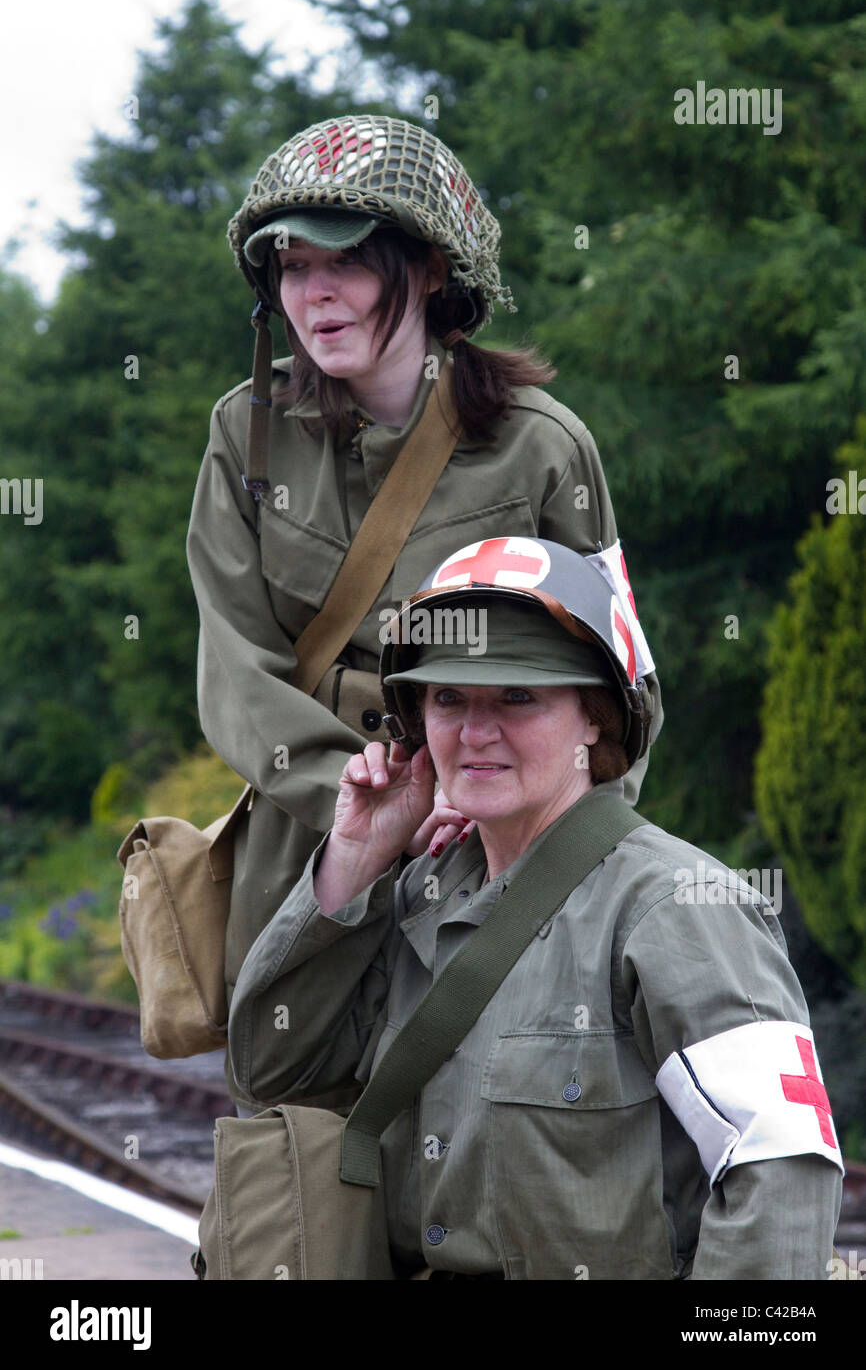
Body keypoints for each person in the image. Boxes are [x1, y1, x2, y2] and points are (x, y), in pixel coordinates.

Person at [186, 113, 662, 1111]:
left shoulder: (541, 445)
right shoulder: (247, 434)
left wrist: (561, 848)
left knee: (502, 1117)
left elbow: (619, 681)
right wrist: (359, 808)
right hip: (320, 836)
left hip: (496, 832)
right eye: (290, 265)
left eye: (347, 263)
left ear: (429, 268)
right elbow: (235, 668)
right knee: (295, 1131)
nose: (312, 293)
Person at [227, 536, 843, 1280]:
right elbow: (269, 1067)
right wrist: (356, 859)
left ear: (594, 718)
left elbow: (780, 1167)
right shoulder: (421, 894)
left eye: (519, 695)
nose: (477, 732)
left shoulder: (677, 909)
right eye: (449, 697)